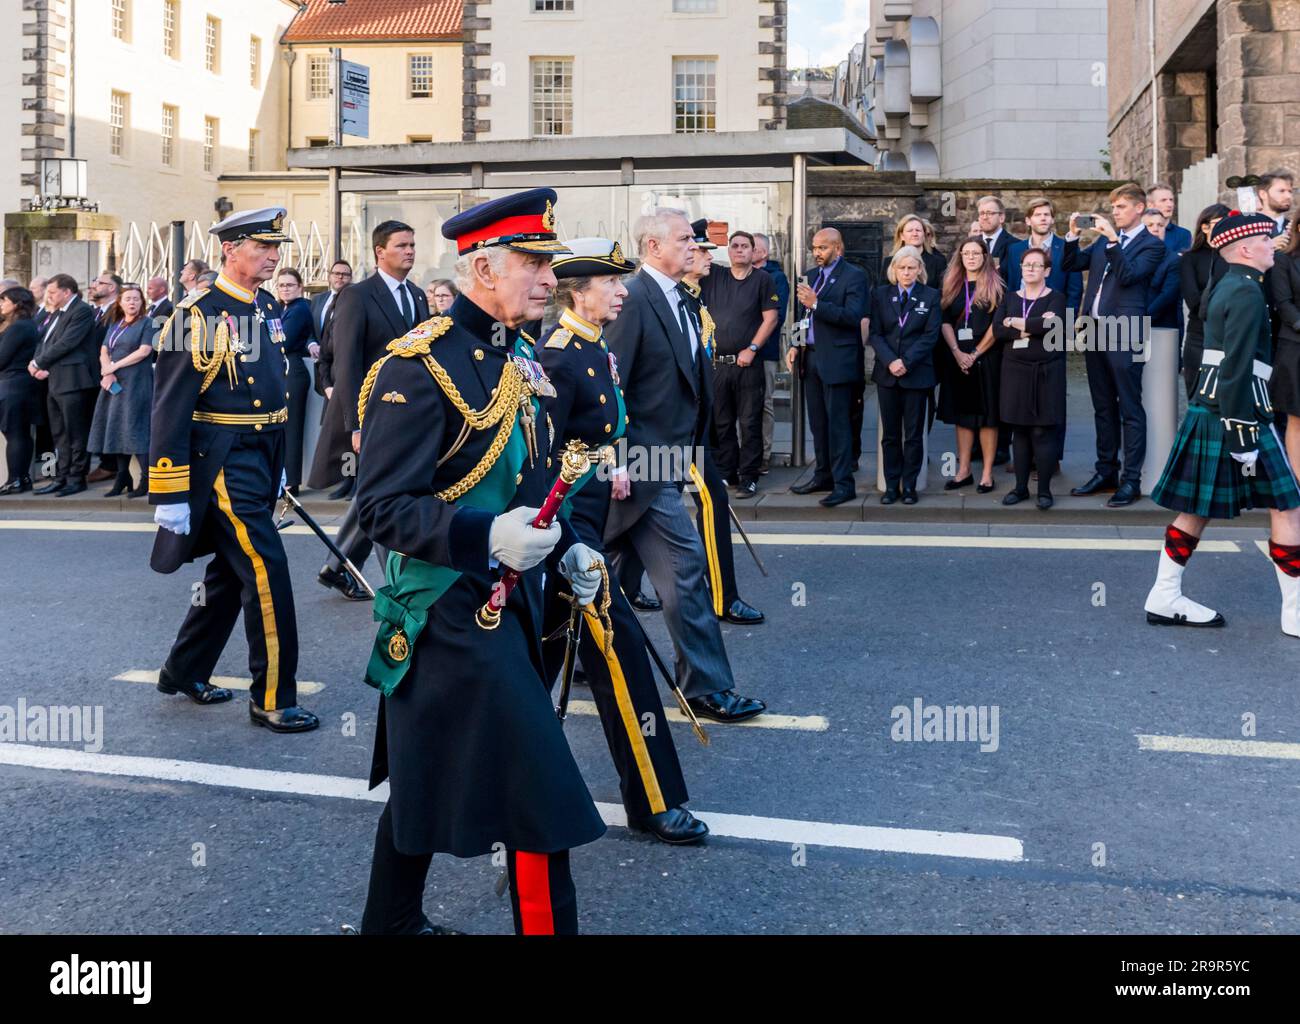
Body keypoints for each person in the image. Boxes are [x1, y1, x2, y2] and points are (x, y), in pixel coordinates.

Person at [351, 188, 607, 935]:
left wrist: (570, 545)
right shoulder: (417, 365)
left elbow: (533, 478)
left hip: (511, 600)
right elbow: (382, 508)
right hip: (447, 608)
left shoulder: (519, 356)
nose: (549, 279)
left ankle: (390, 924)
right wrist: (487, 536)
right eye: (534, 263)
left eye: (550, 264)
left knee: (425, 773)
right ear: (485, 268)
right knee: (538, 799)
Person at [539, 236, 709, 844]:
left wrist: (613, 463)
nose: (621, 292)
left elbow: (605, 425)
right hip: (565, 524)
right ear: (577, 293)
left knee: (544, 659)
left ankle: (488, 767)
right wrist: (563, 534)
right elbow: (541, 456)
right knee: (617, 650)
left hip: (589, 510)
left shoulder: (594, 345)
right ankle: (654, 800)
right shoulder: (556, 357)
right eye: (610, 284)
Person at [148, 207, 319, 734]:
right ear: (229, 250)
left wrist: (280, 467)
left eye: (276, 248)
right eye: (261, 247)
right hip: (221, 459)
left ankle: (184, 668)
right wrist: (170, 489)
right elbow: (170, 405)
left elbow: (272, 387)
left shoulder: (263, 304)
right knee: (266, 569)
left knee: (229, 571)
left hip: (262, 452)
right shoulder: (194, 315)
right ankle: (272, 697)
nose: (272, 257)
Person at [604, 207, 766, 724]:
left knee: (609, 573)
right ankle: (706, 687)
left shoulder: (683, 298)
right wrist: (617, 461)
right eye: (683, 240)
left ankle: (581, 658)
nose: (694, 246)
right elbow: (611, 387)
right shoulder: (633, 300)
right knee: (686, 568)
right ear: (653, 247)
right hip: (642, 463)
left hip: (673, 457)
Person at [1146, 211, 1300, 633]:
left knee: (1196, 508)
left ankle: (1164, 594)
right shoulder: (1246, 291)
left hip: (1216, 408)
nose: (1273, 245)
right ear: (1246, 249)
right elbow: (1235, 367)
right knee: (1288, 505)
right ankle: (1294, 613)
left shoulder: (1231, 283)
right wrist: (1242, 434)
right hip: (1238, 410)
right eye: (1266, 240)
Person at [317, 221, 430, 601]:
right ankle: (397, 583)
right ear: (380, 251)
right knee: (385, 495)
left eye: (412, 244)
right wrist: (355, 424)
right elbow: (346, 365)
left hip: (409, 418)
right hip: (373, 417)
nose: (410, 251)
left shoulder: (417, 296)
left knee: (374, 492)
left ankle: (337, 567)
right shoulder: (357, 296)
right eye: (402, 245)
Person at [679, 219, 765, 624]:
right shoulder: (655, 300)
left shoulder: (690, 300)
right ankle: (721, 599)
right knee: (640, 513)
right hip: (664, 437)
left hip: (690, 431)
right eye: (699, 249)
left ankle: (721, 598)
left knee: (657, 511)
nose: (707, 257)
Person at [1063, 182, 1166, 507]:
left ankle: (1131, 479)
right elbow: (1070, 265)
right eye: (1114, 207)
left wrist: (1111, 241)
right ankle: (1105, 471)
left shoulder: (1152, 245)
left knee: (1130, 407)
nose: (1115, 212)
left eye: (1121, 207)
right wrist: (1071, 237)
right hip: (1094, 329)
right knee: (1103, 406)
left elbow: (1128, 275)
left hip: (1126, 330)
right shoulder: (1103, 243)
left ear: (1139, 208)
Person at [790, 226, 869, 506]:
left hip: (838, 360)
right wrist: (794, 344)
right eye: (814, 247)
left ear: (837, 248)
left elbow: (852, 316)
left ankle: (844, 484)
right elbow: (800, 315)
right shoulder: (809, 276)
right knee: (818, 424)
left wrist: (817, 304)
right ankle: (823, 475)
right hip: (810, 358)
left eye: (822, 247)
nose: (817, 252)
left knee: (838, 425)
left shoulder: (854, 276)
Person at [700, 230, 778, 498]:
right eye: (735, 245)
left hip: (747, 364)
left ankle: (749, 477)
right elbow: (695, 259)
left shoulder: (762, 279)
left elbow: (771, 318)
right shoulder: (715, 275)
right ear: (729, 250)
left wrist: (753, 348)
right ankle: (728, 472)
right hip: (718, 364)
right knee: (721, 422)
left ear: (754, 251)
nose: (739, 250)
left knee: (749, 422)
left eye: (745, 246)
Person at [995, 248, 1069, 509]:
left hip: (1047, 373)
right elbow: (998, 330)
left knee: (1042, 432)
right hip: (1015, 372)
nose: (1030, 269)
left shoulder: (1056, 298)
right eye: (1027, 264)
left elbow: (1051, 326)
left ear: (1046, 271)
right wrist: (1029, 327)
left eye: (1037, 265)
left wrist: (1014, 321)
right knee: (1020, 431)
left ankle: (1044, 491)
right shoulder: (1009, 297)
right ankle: (1020, 488)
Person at [868, 245, 942, 505]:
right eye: (902, 268)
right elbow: (875, 333)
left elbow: (930, 336)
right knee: (889, 435)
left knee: (913, 434)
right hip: (887, 374)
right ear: (894, 270)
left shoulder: (931, 296)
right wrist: (891, 361)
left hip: (916, 374)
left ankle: (909, 486)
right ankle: (891, 486)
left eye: (912, 267)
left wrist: (906, 362)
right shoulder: (880, 295)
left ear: (920, 269)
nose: (907, 272)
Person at [936, 238, 1004, 493]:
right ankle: (963, 470)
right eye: (967, 253)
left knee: (987, 417)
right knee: (962, 416)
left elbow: (997, 326)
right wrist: (957, 352)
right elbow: (944, 321)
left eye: (976, 253)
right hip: (957, 357)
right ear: (961, 256)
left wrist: (974, 354)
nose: (971, 257)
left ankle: (986, 474)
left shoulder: (997, 286)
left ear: (985, 256)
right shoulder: (951, 284)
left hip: (987, 357)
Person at [28, 273, 98, 496]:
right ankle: (62, 477)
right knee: (59, 433)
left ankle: (77, 478)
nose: (48, 296)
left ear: (67, 292)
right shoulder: (57, 312)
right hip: (56, 379)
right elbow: (45, 341)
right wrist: (39, 364)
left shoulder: (81, 311)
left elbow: (67, 343)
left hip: (74, 380)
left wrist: (39, 362)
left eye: (52, 292)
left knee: (76, 433)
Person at [87, 283, 153, 497]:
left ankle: (146, 480)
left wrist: (113, 367)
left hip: (136, 383)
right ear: (120, 303)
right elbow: (104, 350)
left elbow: (144, 351)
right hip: (114, 384)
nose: (132, 302)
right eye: (128, 299)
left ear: (142, 302)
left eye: (136, 299)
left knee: (135, 429)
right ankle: (123, 477)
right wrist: (107, 370)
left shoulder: (147, 323)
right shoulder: (116, 324)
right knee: (115, 428)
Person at [1180, 204, 1230, 399]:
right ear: (1205, 227)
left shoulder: (1234, 256)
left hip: (1230, 334)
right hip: (1199, 336)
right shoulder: (1190, 258)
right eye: (1220, 223)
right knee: (1197, 396)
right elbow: (1193, 301)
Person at [273, 267, 314, 494]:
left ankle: (291, 483)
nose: (285, 289)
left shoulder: (299, 309)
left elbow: (283, 342)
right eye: (281, 285)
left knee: (292, 428)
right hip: (284, 371)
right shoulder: (283, 308)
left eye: (289, 285)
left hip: (293, 371)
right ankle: (285, 479)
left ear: (300, 287)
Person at [752, 232, 787, 474]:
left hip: (765, 351)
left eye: (751, 247)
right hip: (737, 351)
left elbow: (777, 315)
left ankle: (764, 455)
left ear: (763, 253)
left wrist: (753, 339)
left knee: (764, 403)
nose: (744, 251)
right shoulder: (735, 276)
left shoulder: (777, 278)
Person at [0, 286, 40, 494]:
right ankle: (22, 478)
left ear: (16, 304)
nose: (1, 305)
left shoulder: (18, 327)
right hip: (21, 384)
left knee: (14, 434)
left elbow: (2, 358)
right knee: (21, 434)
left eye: (4, 300)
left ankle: (14, 479)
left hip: (13, 385)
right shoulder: (26, 324)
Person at [1270, 224, 1300, 471]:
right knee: (1296, 417)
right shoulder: (1284, 259)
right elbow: (1283, 302)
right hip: (1295, 347)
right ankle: (1297, 480)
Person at [1144, 211, 1186, 341]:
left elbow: (1167, 296)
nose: (1156, 229)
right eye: (1150, 225)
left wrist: (1141, 319)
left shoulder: (1174, 260)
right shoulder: (1131, 257)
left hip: (1164, 329)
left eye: (1160, 225)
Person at [893, 214, 947, 288]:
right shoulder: (889, 262)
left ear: (924, 234)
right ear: (902, 236)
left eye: (918, 230)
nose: (915, 234)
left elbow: (943, 291)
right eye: (910, 231)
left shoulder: (938, 262)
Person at [970, 196, 1016, 280]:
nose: (984, 217)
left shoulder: (1015, 245)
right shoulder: (970, 244)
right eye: (982, 213)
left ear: (1001, 217)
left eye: (989, 213)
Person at [1146, 183, 1193, 253]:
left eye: (1171, 200)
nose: (1170, 204)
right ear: (1150, 205)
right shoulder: (1139, 232)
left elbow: (1181, 259)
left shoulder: (1183, 234)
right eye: (1163, 200)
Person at [1256, 169, 1294, 240]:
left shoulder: (1294, 229)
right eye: (1281, 191)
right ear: (1263, 194)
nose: (1288, 196)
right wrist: (1271, 244)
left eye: (1290, 191)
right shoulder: (1248, 227)